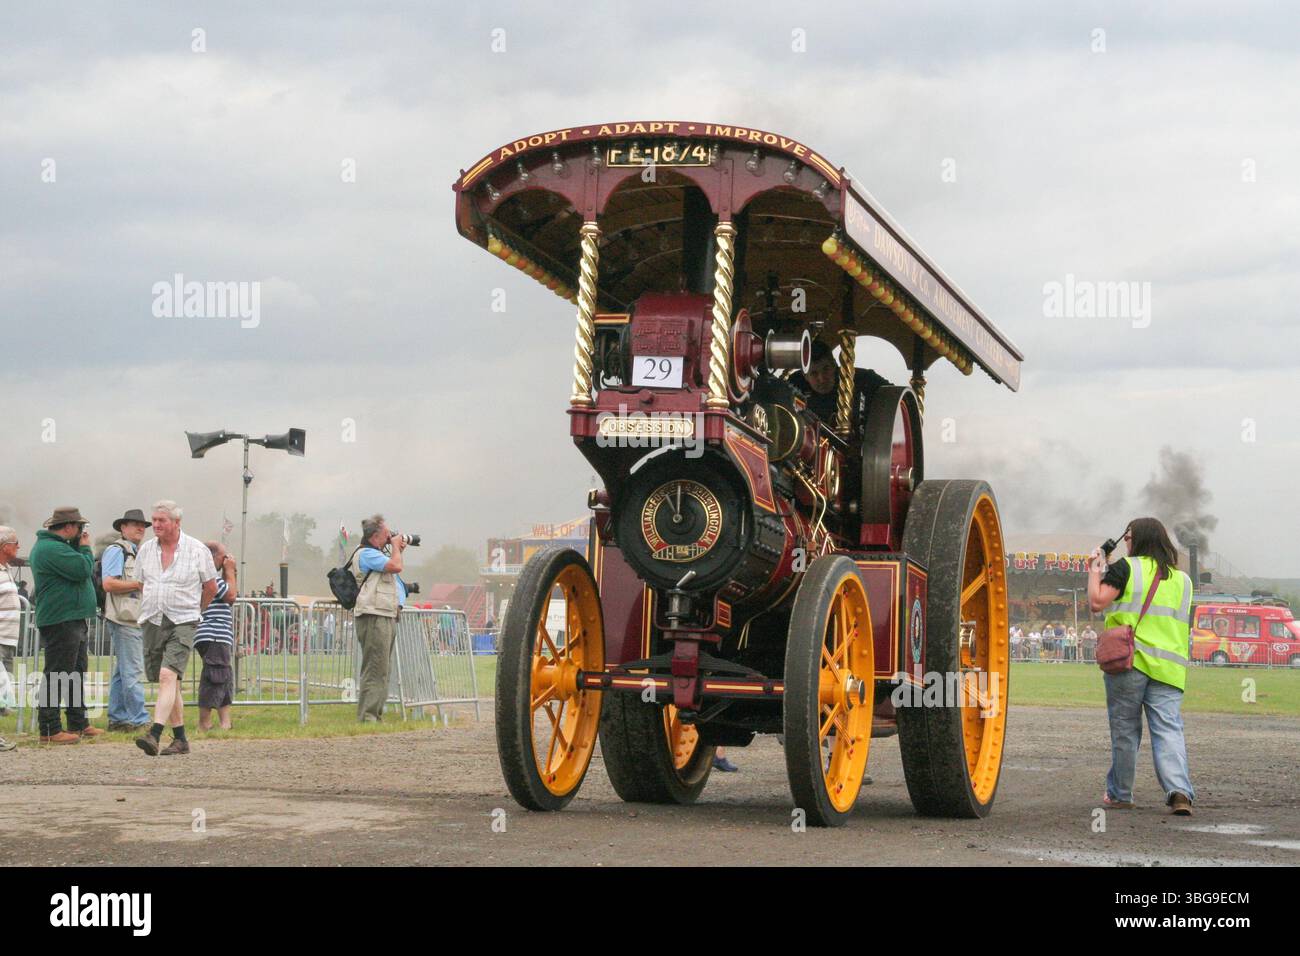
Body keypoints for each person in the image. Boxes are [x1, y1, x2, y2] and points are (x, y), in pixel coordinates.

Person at [1088, 517, 1196, 815]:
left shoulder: (1127, 568)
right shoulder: (1183, 580)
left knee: (1125, 729)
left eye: (1129, 536)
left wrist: (1096, 570)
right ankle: (1179, 792)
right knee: (1169, 730)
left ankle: (1121, 793)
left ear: (1140, 539)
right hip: (1170, 667)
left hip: (1129, 662)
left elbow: (1098, 602)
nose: (1125, 542)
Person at [132, 500, 217, 756]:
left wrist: (195, 611)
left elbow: (210, 587)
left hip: (183, 620)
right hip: (153, 619)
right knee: (172, 683)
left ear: (176, 523)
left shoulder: (197, 550)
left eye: (162, 520)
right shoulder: (146, 550)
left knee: (167, 677)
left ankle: (154, 733)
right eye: (154, 519)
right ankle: (181, 739)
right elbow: (140, 583)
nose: (155, 525)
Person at [29, 507, 106, 744]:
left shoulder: (58, 547)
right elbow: (82, 569)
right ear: (70, 527)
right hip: (61, 619)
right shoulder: (50, 548)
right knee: (58, 673)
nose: (82, 532)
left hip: (72, 618)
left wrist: (77, 546)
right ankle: (49, 729)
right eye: (79, 527)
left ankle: (78, 722)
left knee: (75, 672)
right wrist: (84, 547)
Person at [350, 514, 408, 722]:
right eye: (386, 533)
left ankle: (375, 713)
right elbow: (396, 567)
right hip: (374, 616)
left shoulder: (376, 554)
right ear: (375, 535)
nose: (390, 536)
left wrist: (397, 549)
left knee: (382, 668)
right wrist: (394, 547)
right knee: (375, 668)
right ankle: (368, 716)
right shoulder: (366, 554)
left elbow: (393, 566)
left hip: (383, 614)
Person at [101, 508, 152, 732]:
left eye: (142, 525)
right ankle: (139, 719)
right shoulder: (116, 551)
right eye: (134, 524)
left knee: (123, 672)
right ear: (123, 528)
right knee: (132, 671)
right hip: (125, 618)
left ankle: (118, 718)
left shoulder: (136, 552)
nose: (140, 528)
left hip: (132, 617)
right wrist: (139, 585)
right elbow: (109, 584)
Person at [789, 340, 890, 434]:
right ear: (805, 375)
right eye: (814, 373)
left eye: (826, 369)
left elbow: (895, 396)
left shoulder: (863, 379)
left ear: (834, 365)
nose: (822, 379)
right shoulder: (795, 384)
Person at [195, 542, 238, 731]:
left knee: (223, 677)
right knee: (214, 677)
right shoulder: (209, 577)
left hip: (213, 635)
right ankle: (204, 723)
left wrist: (228, 572)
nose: (227, 559)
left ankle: (225, 722)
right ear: (211, 558)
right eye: (223, 556)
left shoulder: (204, 576)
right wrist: (229, 571)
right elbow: (231, 596)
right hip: (214, 634)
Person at [0, 526, 21, 739]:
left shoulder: (5, 569)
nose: (19, 547)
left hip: (7, 639)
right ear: (5, 547)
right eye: (15, 543)